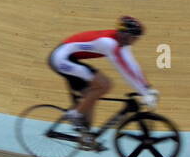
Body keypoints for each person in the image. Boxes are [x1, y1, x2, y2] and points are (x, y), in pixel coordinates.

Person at [49, 15, 156, 145]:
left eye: (137, 38)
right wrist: (144, 93)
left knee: (91, 94)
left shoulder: (121, 42)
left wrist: (147, 87)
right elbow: (124, 71)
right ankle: (74, 115)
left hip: (69, 58)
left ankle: (86, 136)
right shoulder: (108, 43)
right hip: (61, 59)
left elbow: (132, 65)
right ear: (126, 35)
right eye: (134, 37)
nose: (135, 40)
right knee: (104, 85)